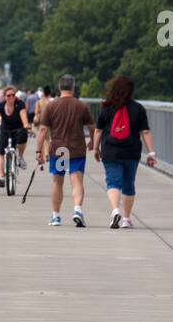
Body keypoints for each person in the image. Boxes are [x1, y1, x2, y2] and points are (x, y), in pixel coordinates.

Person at [92, 75, 157, 228]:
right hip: (131, 152)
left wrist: (95, 148)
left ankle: (115, 210)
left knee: (113, 182)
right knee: (129, 184)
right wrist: (151, 153)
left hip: (110, 151)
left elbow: (98, 130)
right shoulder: (138, 108)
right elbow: (145, 132)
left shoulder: (107, 108)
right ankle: (126, 219)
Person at [34, 74, 95, 227]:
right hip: (77, 148)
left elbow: (42, 129)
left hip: (58, 149)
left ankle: (56, 216)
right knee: (77, 181)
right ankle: (77, 210)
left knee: (57, 182)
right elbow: (92, 127)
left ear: (59, 88)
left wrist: (38, 151)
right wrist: (93, 142)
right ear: (73, 88)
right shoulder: (81, 106)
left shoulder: (51, 106)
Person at [0, 85, 32, 183]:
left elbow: (23, 115)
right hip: (5, 130)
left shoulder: (20, 104)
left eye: (13, 95)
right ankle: (2, 177)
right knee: (2, 153)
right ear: (4, 97)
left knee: (23, 136)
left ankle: (20, 157)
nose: (11, 97)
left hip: (18, 128)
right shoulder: (1, 105)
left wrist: (26, 125)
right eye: (9, 95)